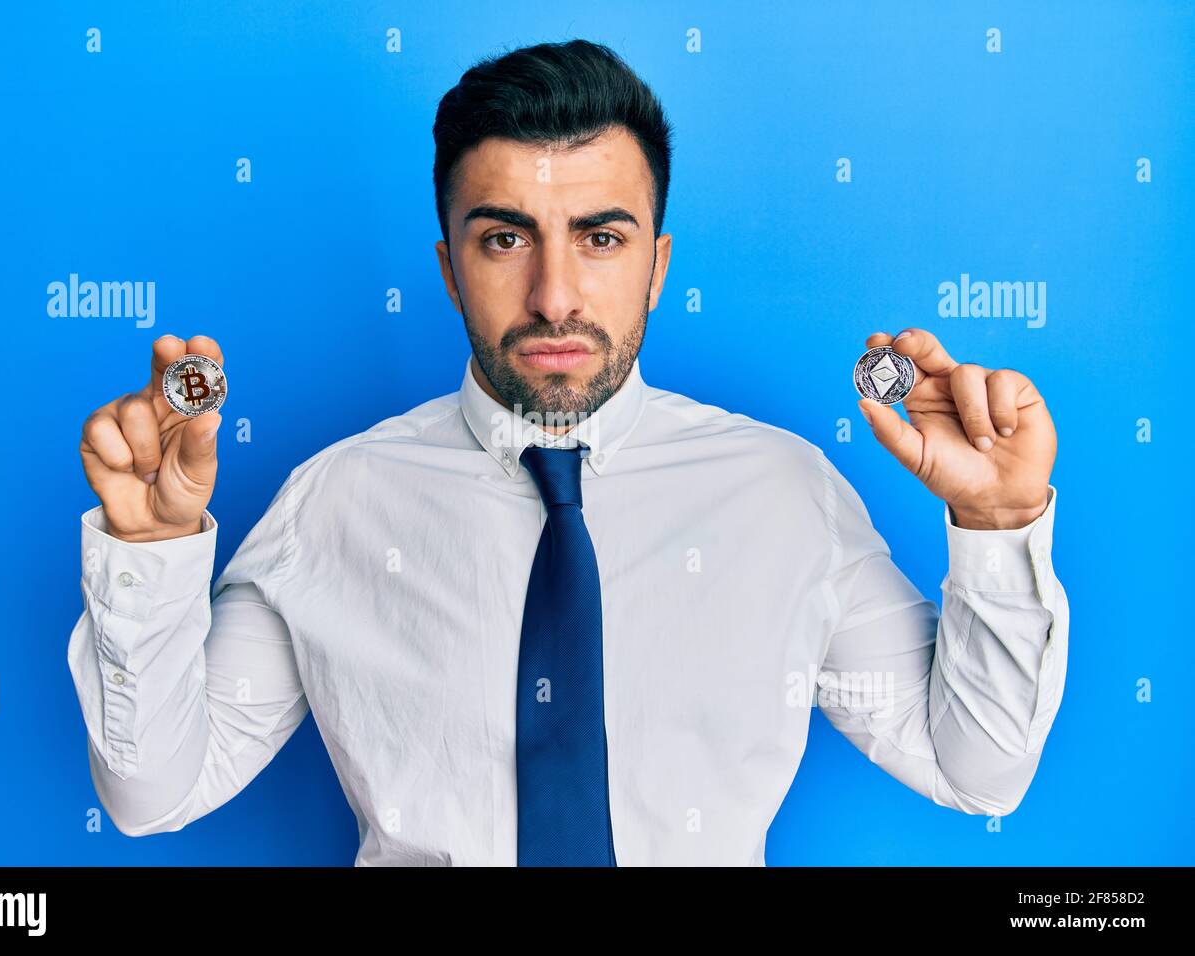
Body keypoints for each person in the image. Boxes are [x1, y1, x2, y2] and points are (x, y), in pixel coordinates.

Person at [69, 39, 1067, 866]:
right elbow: (154, 791)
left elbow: (974, 767)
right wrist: (149, 558)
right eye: (504, 239)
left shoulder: (782, 492)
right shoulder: (335, 500)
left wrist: (996, 525)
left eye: (600, 238)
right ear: (450, 269)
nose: (554, 295)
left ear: (657, 264)